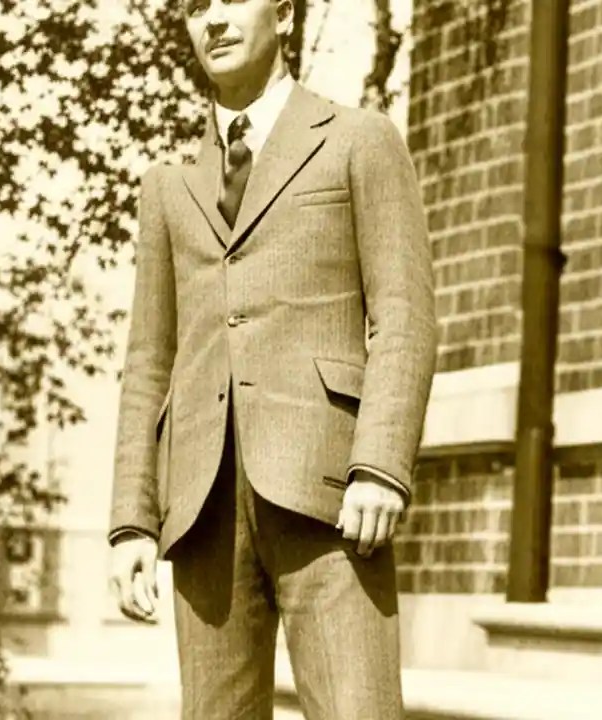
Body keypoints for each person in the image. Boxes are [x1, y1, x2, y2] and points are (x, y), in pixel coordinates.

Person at [106, 0, 436, 717]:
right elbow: (148, 361)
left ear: (284, 13)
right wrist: (132, 519)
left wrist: (379, 466)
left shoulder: (359, 140)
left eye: (231, 0)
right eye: (195, 6)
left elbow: (404, 316)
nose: (213, 21)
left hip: (333, 497)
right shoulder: (168, 185)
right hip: (203, 508)